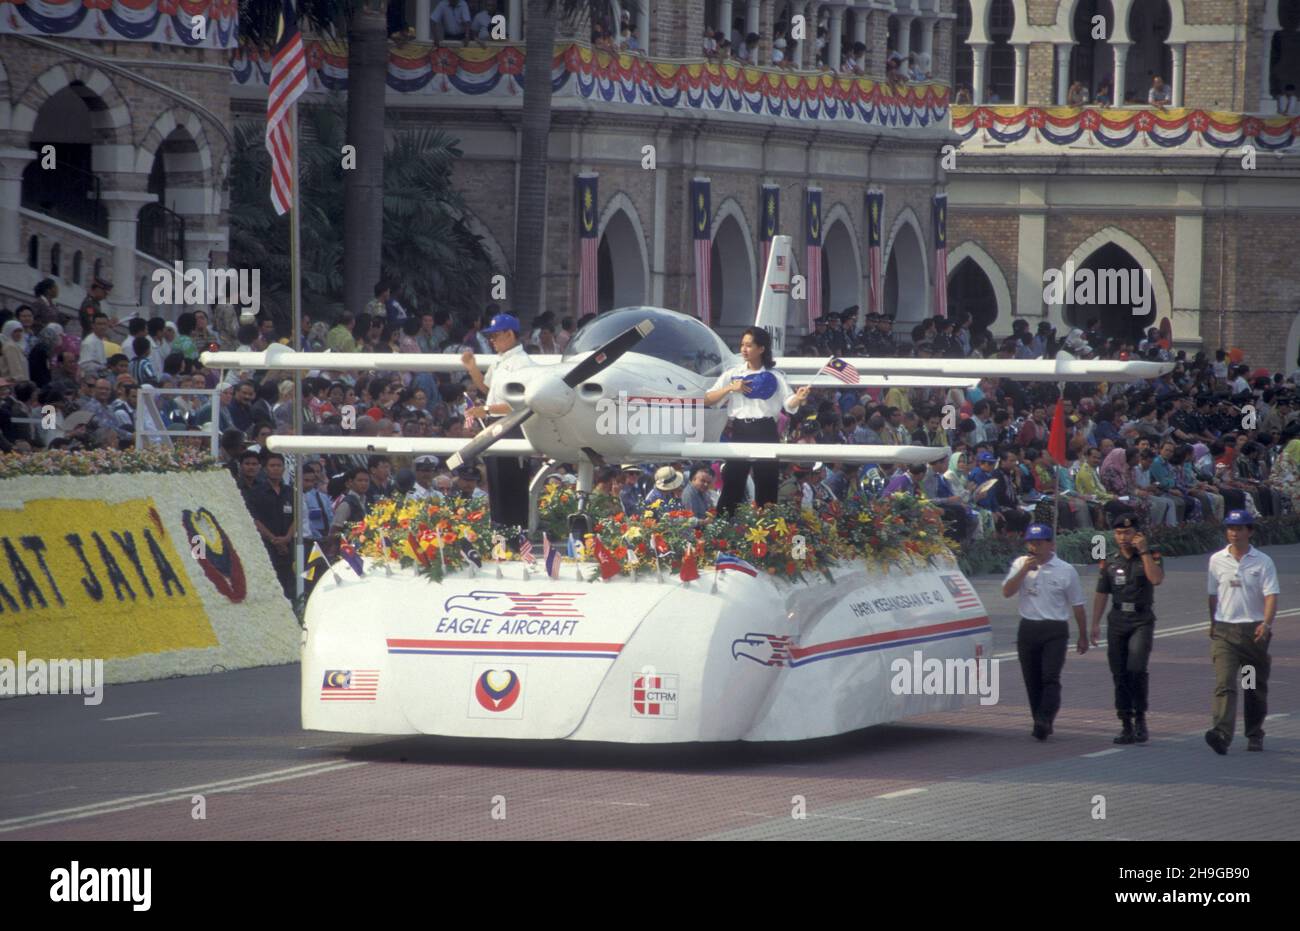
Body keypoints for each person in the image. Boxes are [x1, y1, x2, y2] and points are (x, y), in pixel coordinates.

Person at [703, 326, 810, 515]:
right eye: (742, 345)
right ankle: (723, 527)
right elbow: (708, 399)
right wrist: (729, 389)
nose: (744, 349)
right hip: (740, 429)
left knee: (766, 482)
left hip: (766, 430)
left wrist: (799, 398)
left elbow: (789, 403)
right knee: (733, 481)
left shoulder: (776, 376)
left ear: (761, 349)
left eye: (749, 345)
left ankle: (767, 529)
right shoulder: (732, 373)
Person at [1001, 523, 1088, 741]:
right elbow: (1007, 592)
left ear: (1051, 544)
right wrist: (1023, 572)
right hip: (1029, 627)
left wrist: (1083, 635)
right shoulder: (1021, 564)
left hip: (1055, 628)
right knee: (1032, 679)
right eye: (1031, 543)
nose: (1034, 548)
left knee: (1050, 676)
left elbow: (1078, 605)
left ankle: (1045, 718)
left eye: (1039, 543)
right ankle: (1039, 719)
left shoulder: (1066, 570)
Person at [1204, 510, 1280, 754]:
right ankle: (1221, 733)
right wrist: (1213, 622)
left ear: (1250, 531)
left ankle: (1254, 732)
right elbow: (1213, 595)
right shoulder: (1217, 560)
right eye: (1230, 528)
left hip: (1253, 632)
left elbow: (1271, 595)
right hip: (1225, 632)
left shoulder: (1262, 561)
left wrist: (1266, 624)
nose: (1234, 533)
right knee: (1225, 682)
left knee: (1252, 686)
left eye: (1239, 528)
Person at [1091, 514, 1164, 744]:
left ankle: (1140, 719)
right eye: (1119, 533)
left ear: (1138, 534)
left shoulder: (1151, 555)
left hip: (1141, 619)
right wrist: (1095, 623)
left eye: (1128, 533)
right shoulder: (1110, 560)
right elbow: (1102, 593)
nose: (1123, 537)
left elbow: (1156, 579)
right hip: (1117, 620)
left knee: (1136, 669)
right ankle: (1125, 724)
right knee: (1119, 674)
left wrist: (1143, 552)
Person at [461, 312, 533, 527]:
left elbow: (522, 402)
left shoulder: (522, 363)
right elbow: (487, 388)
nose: (491, 341)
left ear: (510, 334)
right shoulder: (501, 359)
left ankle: (514, 535)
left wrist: (486, 409)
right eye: (490, 337)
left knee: (511, 483)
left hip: (513, 425)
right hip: (497, 423)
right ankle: (501, 532)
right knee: (496, 481)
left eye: (495, 336)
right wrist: (473, 369)